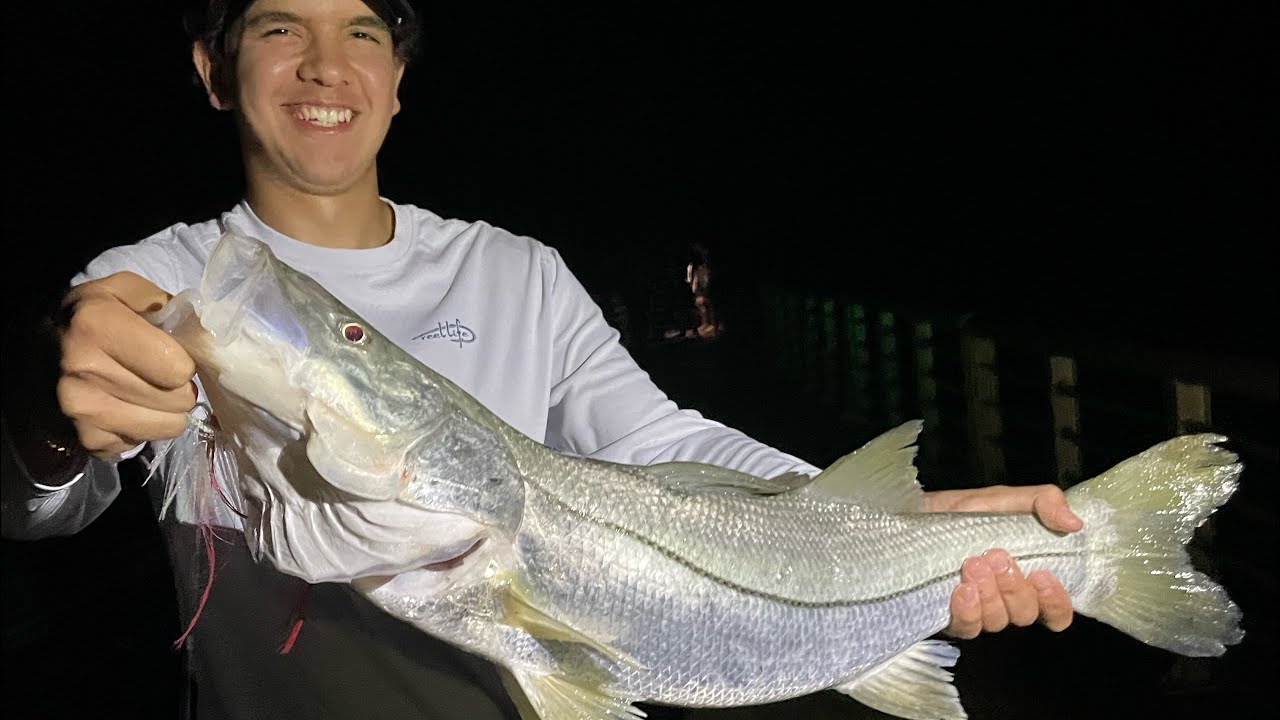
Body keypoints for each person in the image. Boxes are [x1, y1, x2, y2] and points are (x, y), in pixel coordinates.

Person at [0, 1, 1084, 718]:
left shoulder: (514, 270)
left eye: (364, 33)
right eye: (281, 27)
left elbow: (664, 446)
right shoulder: (165, 279)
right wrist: (53, 421)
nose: (326, 64)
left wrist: (896, 530)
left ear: (396, 78)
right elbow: (38, 505)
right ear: (215, 69)